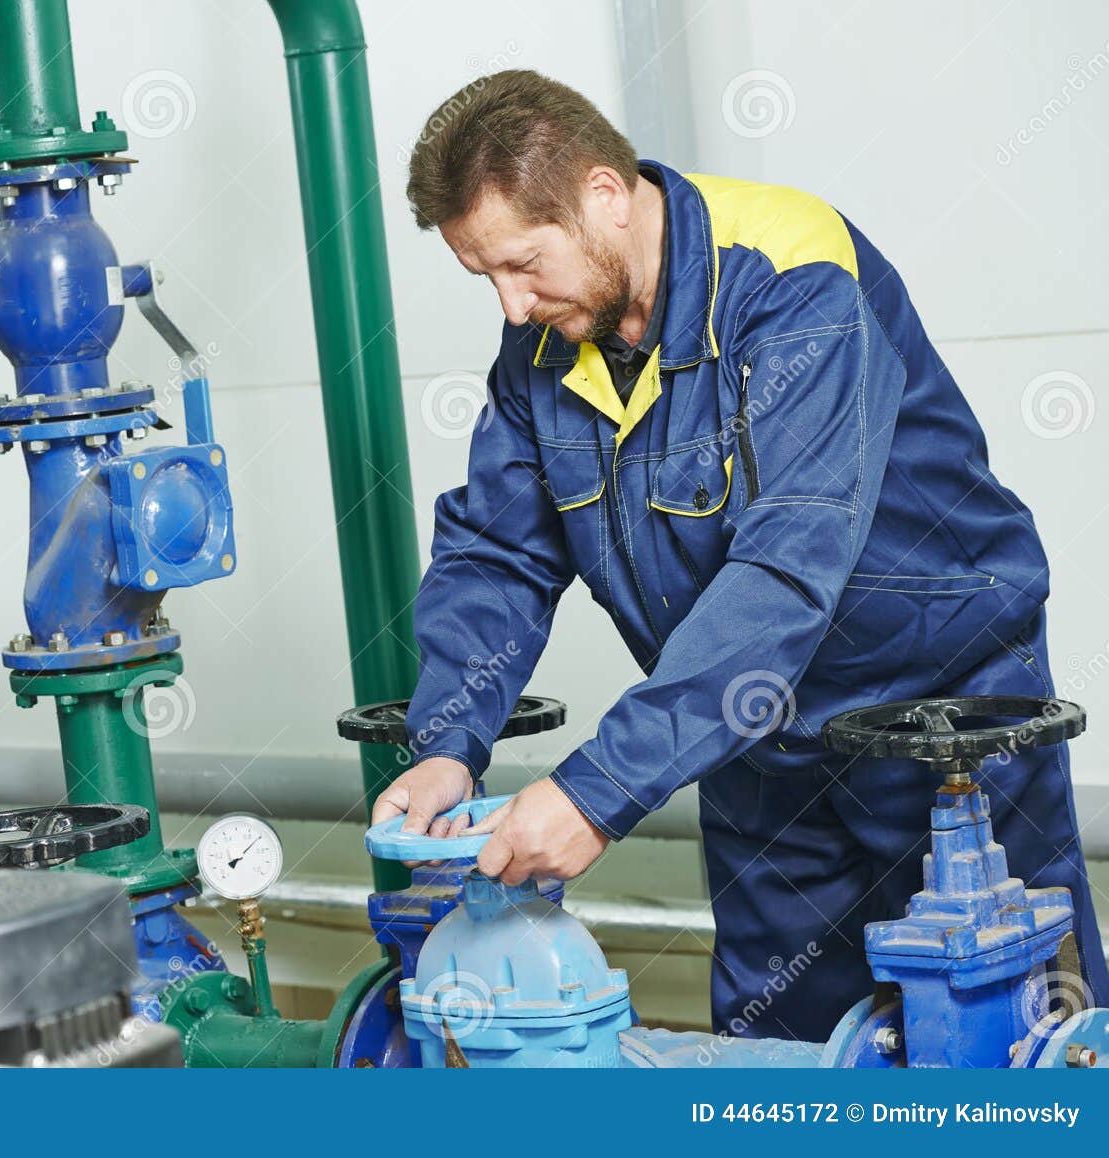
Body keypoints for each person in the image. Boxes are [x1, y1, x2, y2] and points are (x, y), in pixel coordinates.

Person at [371, 69, 1107, 1039]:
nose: (511, 309)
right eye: (487, 279)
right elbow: (496, 557)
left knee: (1003, 1035)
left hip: (933, 720)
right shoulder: (543, 352)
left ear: (600, 193)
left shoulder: (794, 279)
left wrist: (595, 793)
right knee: (779, 1052)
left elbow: (785, 569)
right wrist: (446, 747)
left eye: (521, 264)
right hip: (749, 735)